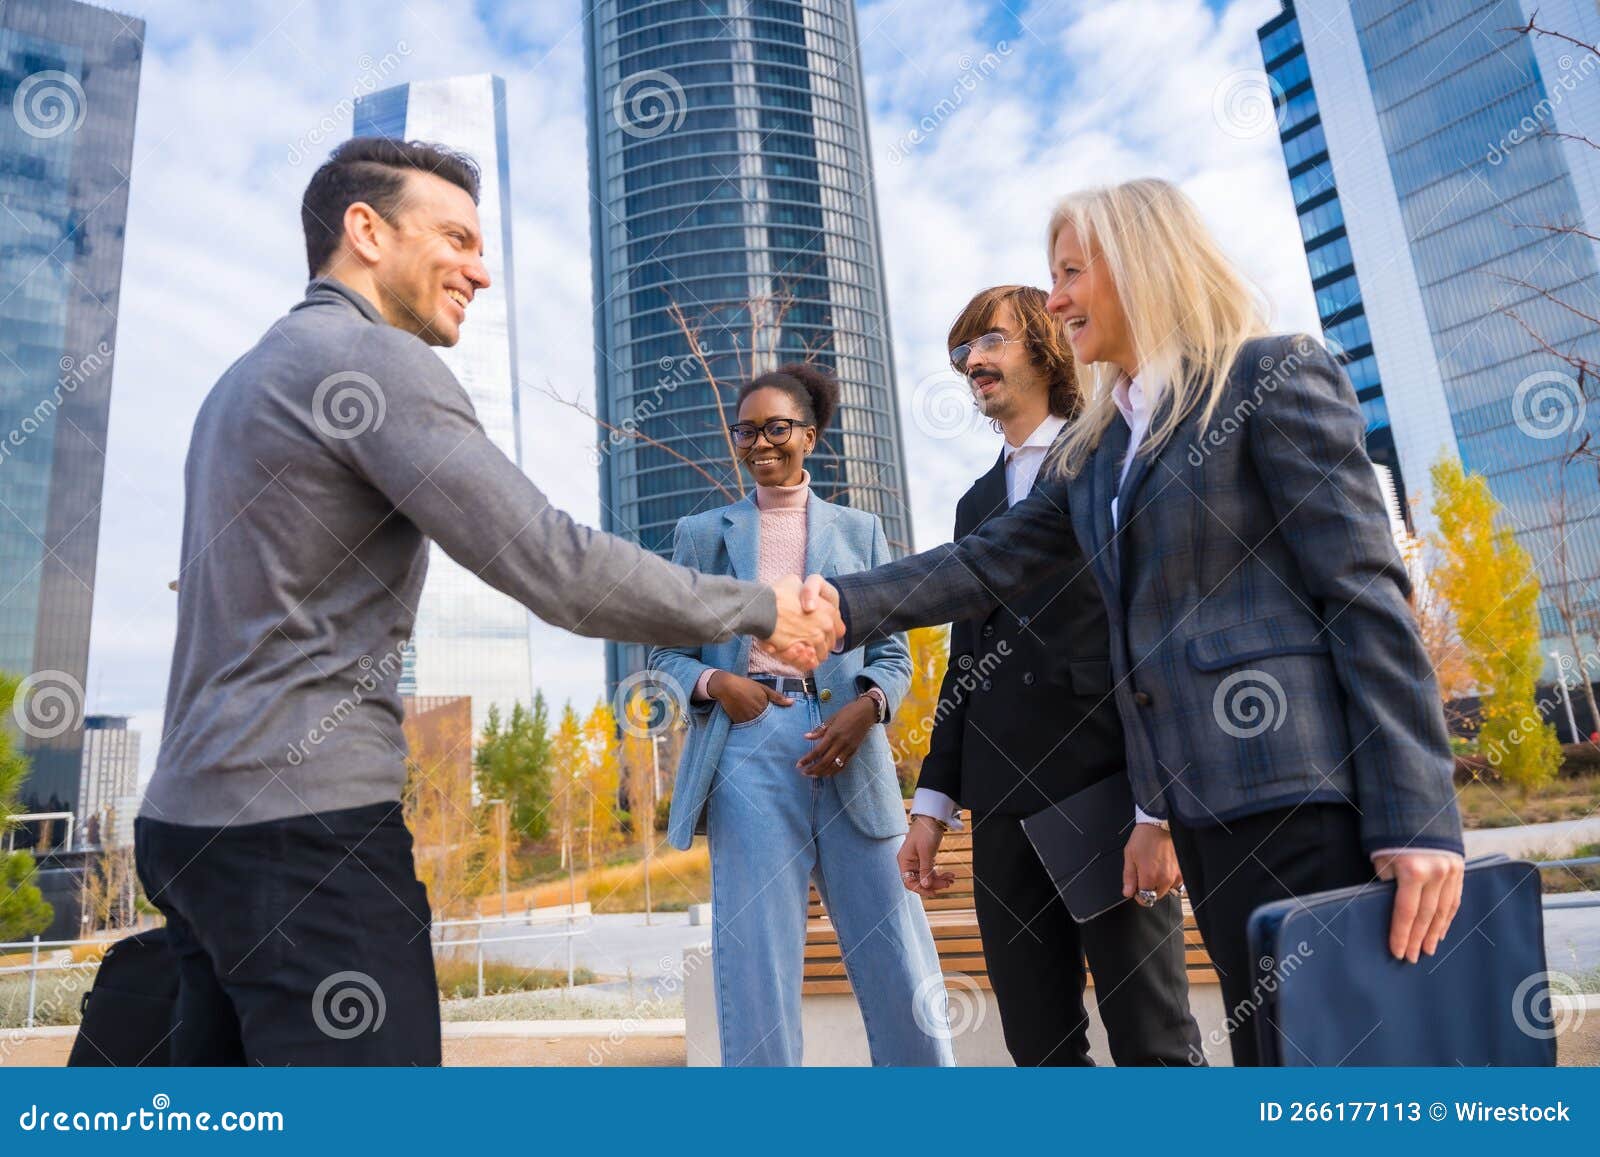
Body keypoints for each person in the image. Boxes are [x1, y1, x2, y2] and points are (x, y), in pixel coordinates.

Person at [134, 138, 841, 1066]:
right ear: (366, 231)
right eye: (457, 238)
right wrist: (760, 609)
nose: (483, 270)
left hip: (189, 833)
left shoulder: (240, 383)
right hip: (304, 840)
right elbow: (552, 563)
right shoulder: (372, 363)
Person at [803, 178, 1465, 1066]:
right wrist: (834, 605)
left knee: (1349, 1071)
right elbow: (980, 566)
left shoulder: (1272, 373)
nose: (1060, 297)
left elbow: (1367, 598)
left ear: (1144, 263)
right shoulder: (1102, 449)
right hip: (1206, 813)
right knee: (1273, 1058)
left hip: (1305, 798)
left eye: (1073, 272)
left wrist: (1417, 817)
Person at [902, 285, 1200, 1066]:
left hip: (1103, 792)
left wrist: (1158, 812)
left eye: (990, 342)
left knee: (1154, 1043)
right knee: (1039, 1053)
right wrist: (932, 803)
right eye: (963, 353)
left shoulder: (1114, 457)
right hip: (1000, 809)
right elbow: (966, 654)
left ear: (1045, 345)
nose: (974, 363)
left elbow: (1156, 633)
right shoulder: (974, 503)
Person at [650, 364, 953, 1067]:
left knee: (898, 954)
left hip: (851, 741)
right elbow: (664, 655)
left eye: (777, 427)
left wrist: (868, 706)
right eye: (746, 430)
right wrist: (721, 681)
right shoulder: (702, 534)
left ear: (809, 435)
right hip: (748, 750)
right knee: (754, 960)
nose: (761, 442)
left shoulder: (860, 530)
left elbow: (895, 654)